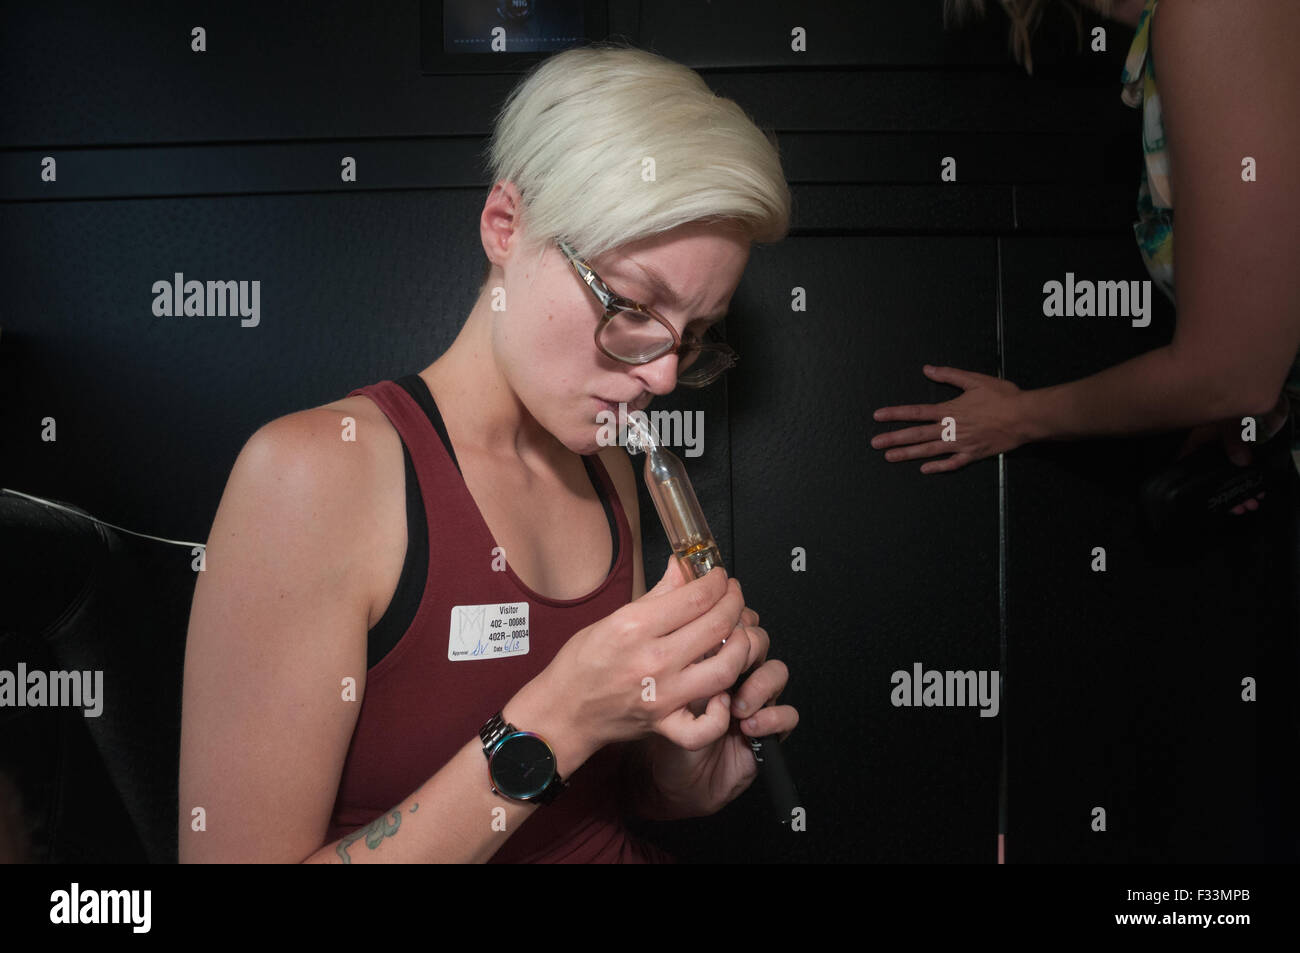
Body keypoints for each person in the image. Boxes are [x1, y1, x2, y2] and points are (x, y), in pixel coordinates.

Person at [177, 42, 798, 863]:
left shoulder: (607, 463)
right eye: (636, 304)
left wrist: (683, 772)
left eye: (696, 336)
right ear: (506, 226)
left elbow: (593, 811)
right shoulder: (314, 474)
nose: (662, 372)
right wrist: (561, 716)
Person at [875, 0, 1300, 515]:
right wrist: (1233, 391)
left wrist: (1017, 417)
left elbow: (1230, 377)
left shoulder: (1213, 12)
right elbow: (1244, 359)